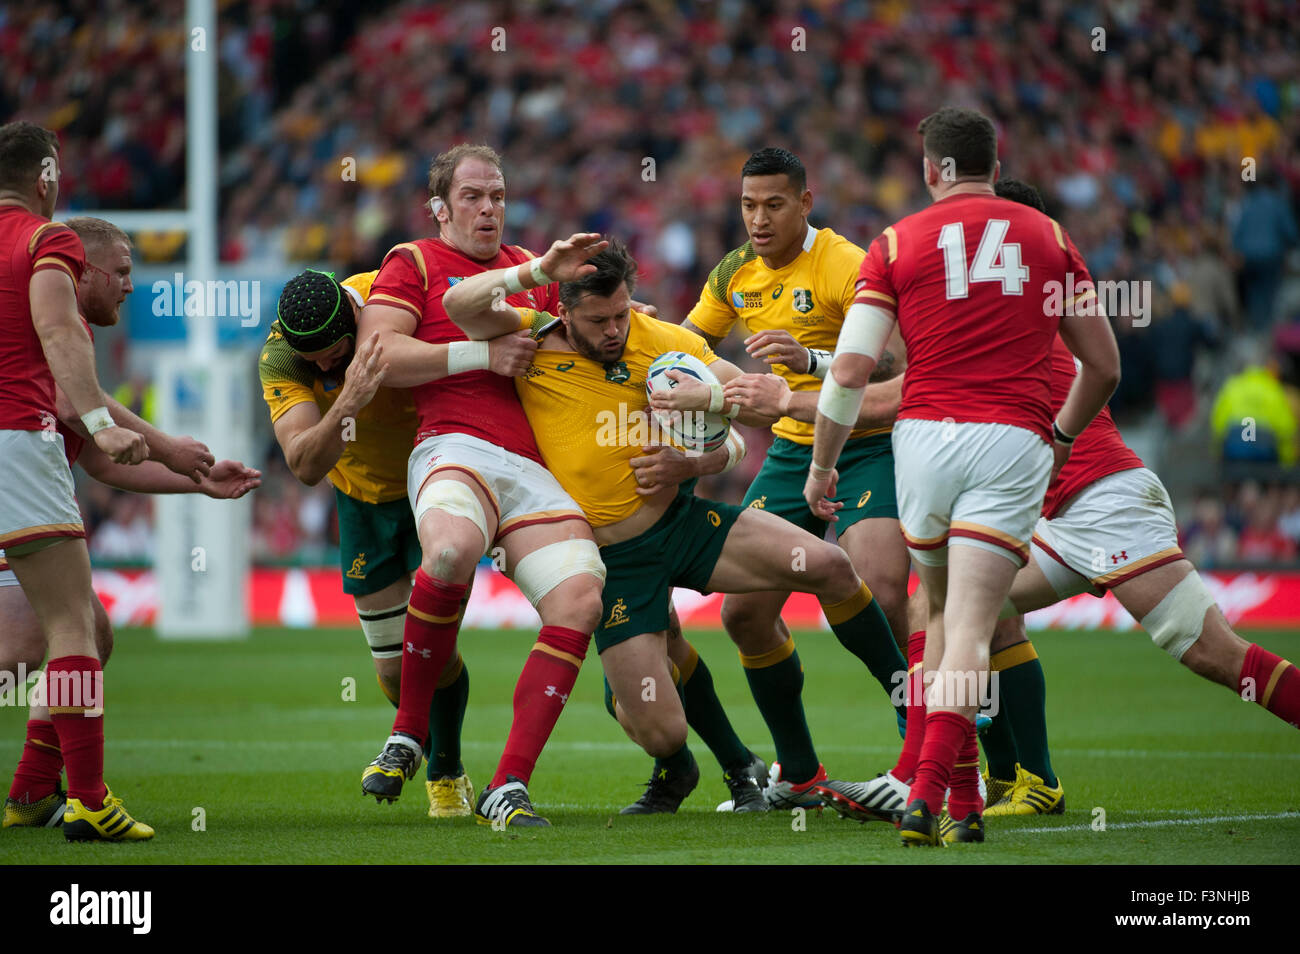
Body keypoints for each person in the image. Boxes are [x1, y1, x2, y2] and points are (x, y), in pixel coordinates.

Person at [443, 234, 895, 812]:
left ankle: (909, 704)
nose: (615, 330)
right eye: (599, 319)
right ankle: (686, 757)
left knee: (830, 564)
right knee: (662, 730)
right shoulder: (530, 339)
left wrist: (697, 449)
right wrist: (535, 270)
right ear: (563, 311)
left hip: (683, 525)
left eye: (622, 313)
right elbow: (461, 307)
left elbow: (746, 419)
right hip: (614, 562)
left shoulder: (664, 342)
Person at [806, 107, 1120, 845]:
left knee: (937, 613)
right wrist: (1064, 435)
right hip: (1011, 440)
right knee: (974, 624)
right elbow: (1103, 365)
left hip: (921, 444)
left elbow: (851, 371)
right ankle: (929, 796)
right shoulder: (1049, 238)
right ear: (991, 160)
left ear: (932, 169)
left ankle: (959, 798)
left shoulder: (893, 242)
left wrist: (823, 463)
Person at [972, 178, 1300, 817]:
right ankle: (1024, 782)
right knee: (974, 607)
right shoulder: (1028, 301)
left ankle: (973, 775)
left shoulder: (1029, 305)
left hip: (1108, 500)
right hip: (1061, 518)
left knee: (1212, 652)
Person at [356, 144, 606, 828]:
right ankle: (409, 731)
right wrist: (482, 354)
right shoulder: (412, 263)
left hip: (534, 468)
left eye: (496, 195)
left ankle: (508, 787)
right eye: (472, 197)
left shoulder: (534, 268)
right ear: (439, 208)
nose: (488, 208)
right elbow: (378, 356)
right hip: (454, 445)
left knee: (581, 597)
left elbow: (591, 334)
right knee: (446, 554)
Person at [3, 218, 260, 830]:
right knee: (34, 646)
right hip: (15, 469)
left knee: (90, 630)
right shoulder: (55, 317)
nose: (130, 285)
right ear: (80, 270)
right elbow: (73, 406)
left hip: (18, 476)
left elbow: (96, 457)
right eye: (120, 271)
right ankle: (88, 802)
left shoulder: (57, 322)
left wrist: (200, 481)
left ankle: (34, 788)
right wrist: (172, 447)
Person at [261, 267, 533, 816]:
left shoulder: (394, 298)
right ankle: (447, 763)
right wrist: (348, 400)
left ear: (357, 319)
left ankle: (442, 771)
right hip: (364, 498)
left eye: (331, 354)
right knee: (392, 668)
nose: (320, 366)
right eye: (309, 359)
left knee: (433, 646)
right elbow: (305, 465)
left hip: (441, 479)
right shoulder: (281, 356)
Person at [680, 149, 910, 783]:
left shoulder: (844, 263)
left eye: (774, 205)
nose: (759, 219)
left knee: (884, 586)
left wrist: (811, 359)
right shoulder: (735, 270)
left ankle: (917, 729)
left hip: (868, 441)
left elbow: (891, 362)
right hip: (789, 451)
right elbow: (689, 343)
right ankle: (801, 777)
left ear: (805, 204)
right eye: (749, 205)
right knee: (743, 613)